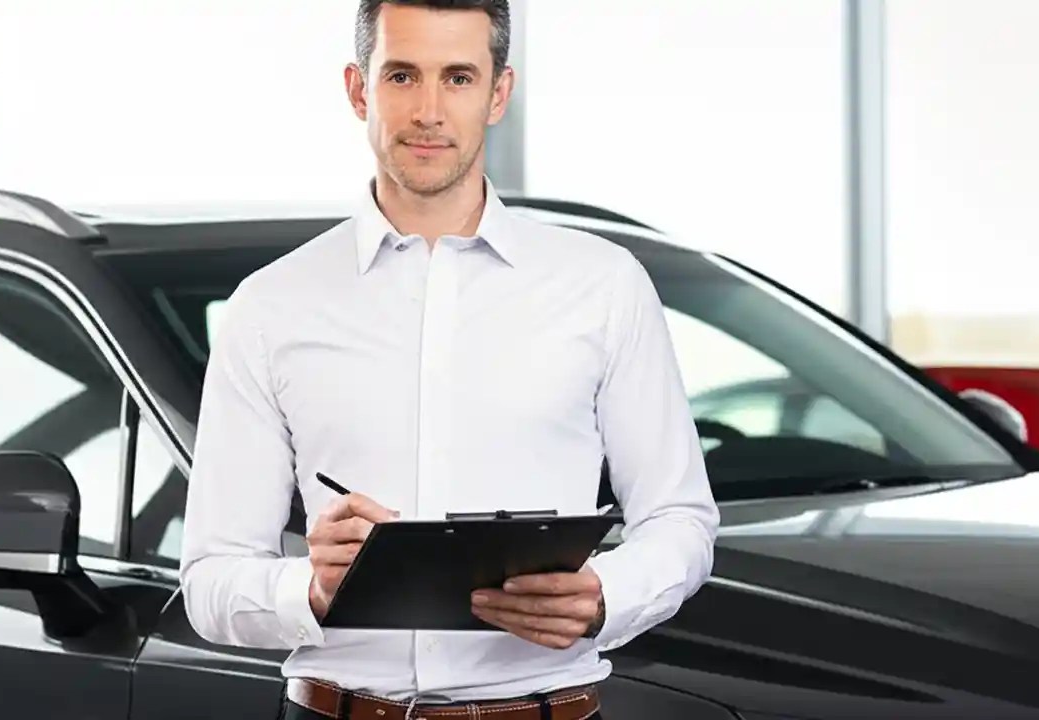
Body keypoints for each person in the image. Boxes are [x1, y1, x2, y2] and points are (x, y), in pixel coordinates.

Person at [179, 1, 720, 717]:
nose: (429, 110)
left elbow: (680, 517)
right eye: (402, 75)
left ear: (499, 93)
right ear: (357, 89)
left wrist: (605, 597)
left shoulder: (602, 286)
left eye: (458, 78)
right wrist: (307, 588)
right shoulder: (270, 307)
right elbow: (211, 581)